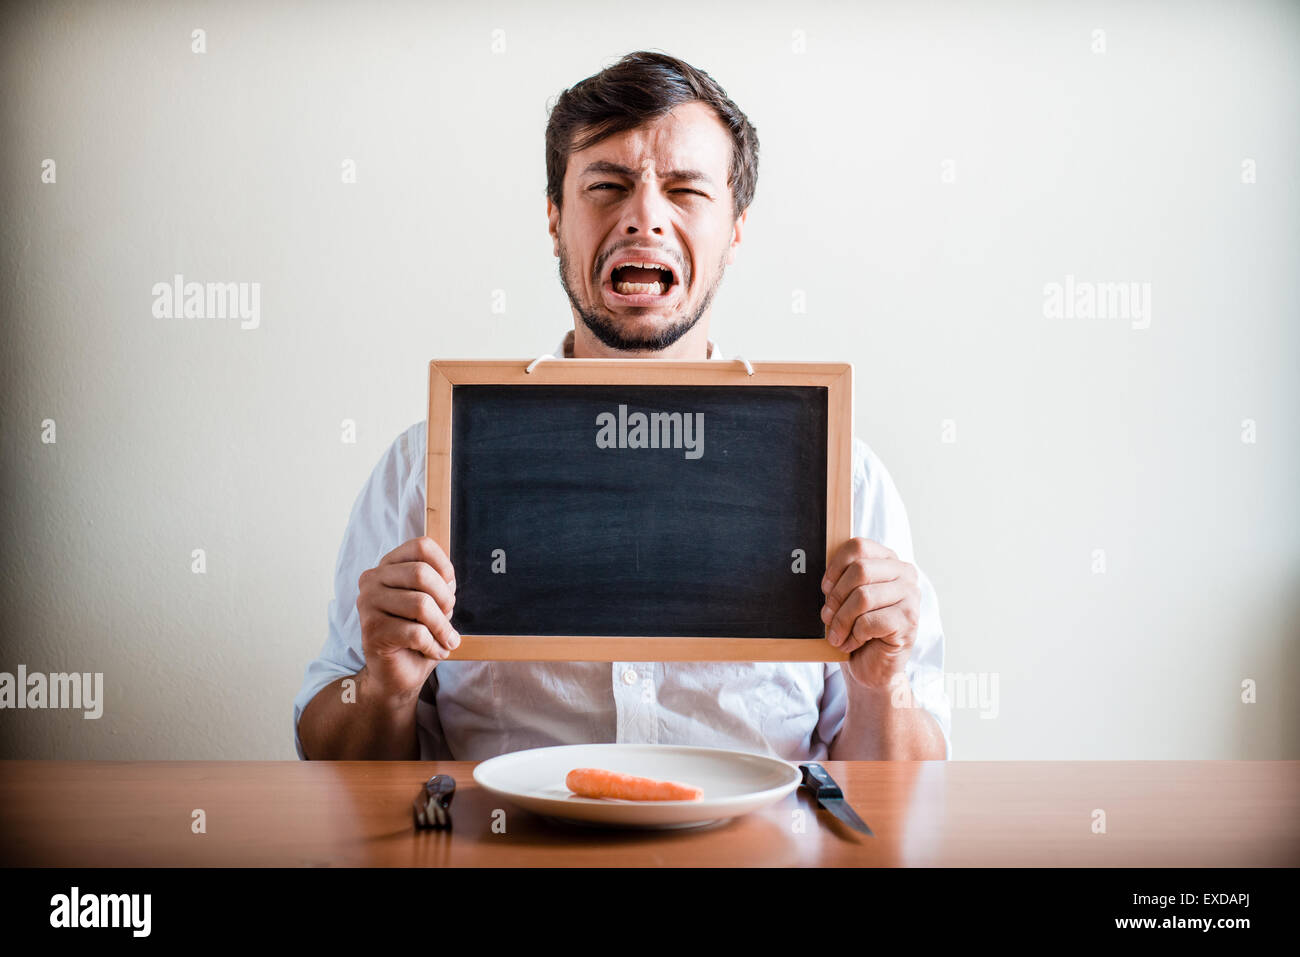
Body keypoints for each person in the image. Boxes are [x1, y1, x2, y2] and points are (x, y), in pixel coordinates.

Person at [294, 51, 951, 762]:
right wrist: (384, 685)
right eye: (607, 185)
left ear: (735, 230)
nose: (644, 218)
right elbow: (329, 756)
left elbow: (903, 795)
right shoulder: (427, 468)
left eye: (685, 190)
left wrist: (883, 687)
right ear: (554, 220)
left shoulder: (841, 480)